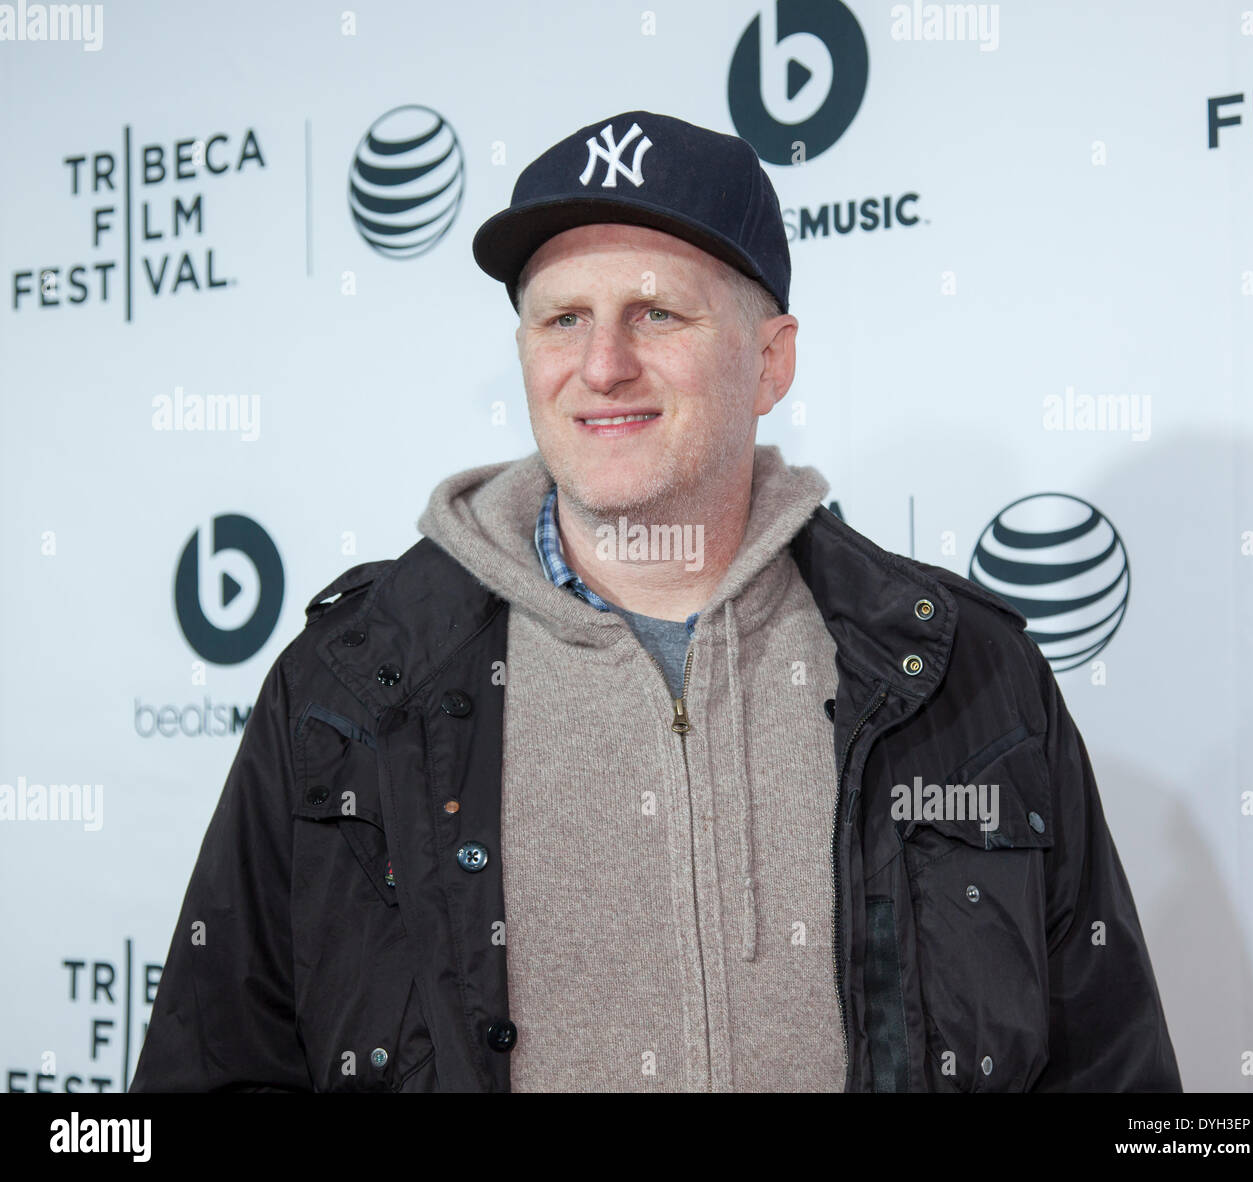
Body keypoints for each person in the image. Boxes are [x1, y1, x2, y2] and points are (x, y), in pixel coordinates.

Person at [130, 110, 1181, 1093]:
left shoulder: (967, 679)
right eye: (563, 319)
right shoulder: (350, 688)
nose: (602, 366)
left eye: (655, 314)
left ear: (770, 362)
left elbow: (1112, 1074)